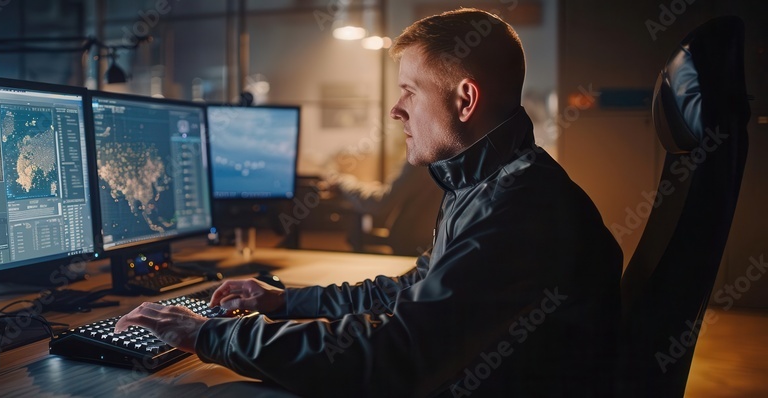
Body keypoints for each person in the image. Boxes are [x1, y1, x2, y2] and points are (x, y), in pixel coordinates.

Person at [115, 8, 622, 397]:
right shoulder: (486, 184)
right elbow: (412, 290)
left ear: (465, 100)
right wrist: (284, 300)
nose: (396, 110)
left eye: (409, 91)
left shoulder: (518, 204)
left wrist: (211, 337)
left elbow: (391, 355)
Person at [326, 159, 443, 256]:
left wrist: (343, 182)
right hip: (428, 247)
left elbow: (380, 203)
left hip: (408, 252)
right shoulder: (449, 156)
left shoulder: (421, 159)